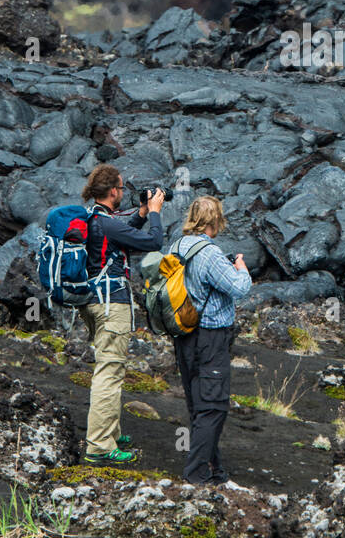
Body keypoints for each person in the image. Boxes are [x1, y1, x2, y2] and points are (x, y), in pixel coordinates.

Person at [79, 163, 165, 466]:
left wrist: (141, 213)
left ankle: (110, 432)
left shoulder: (94, 218)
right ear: (113, 190)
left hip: (93, 301)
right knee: (109, 372)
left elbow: (123, 233)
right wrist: (154, 212)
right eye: (121, 186)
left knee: (109, 367)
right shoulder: (109, 223)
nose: (123, 190)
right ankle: (100, 447)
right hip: (110, 304)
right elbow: (154, 243)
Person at [172, 195, 252, 485]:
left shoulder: (178, 246)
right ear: (215, 220)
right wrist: (240, 266)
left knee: (199, 403)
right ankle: (196, 474)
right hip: (210, 337)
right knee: (213, 406)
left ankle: (214, 471)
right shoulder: (209, 253)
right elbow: (238, 288)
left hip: (184, 334)